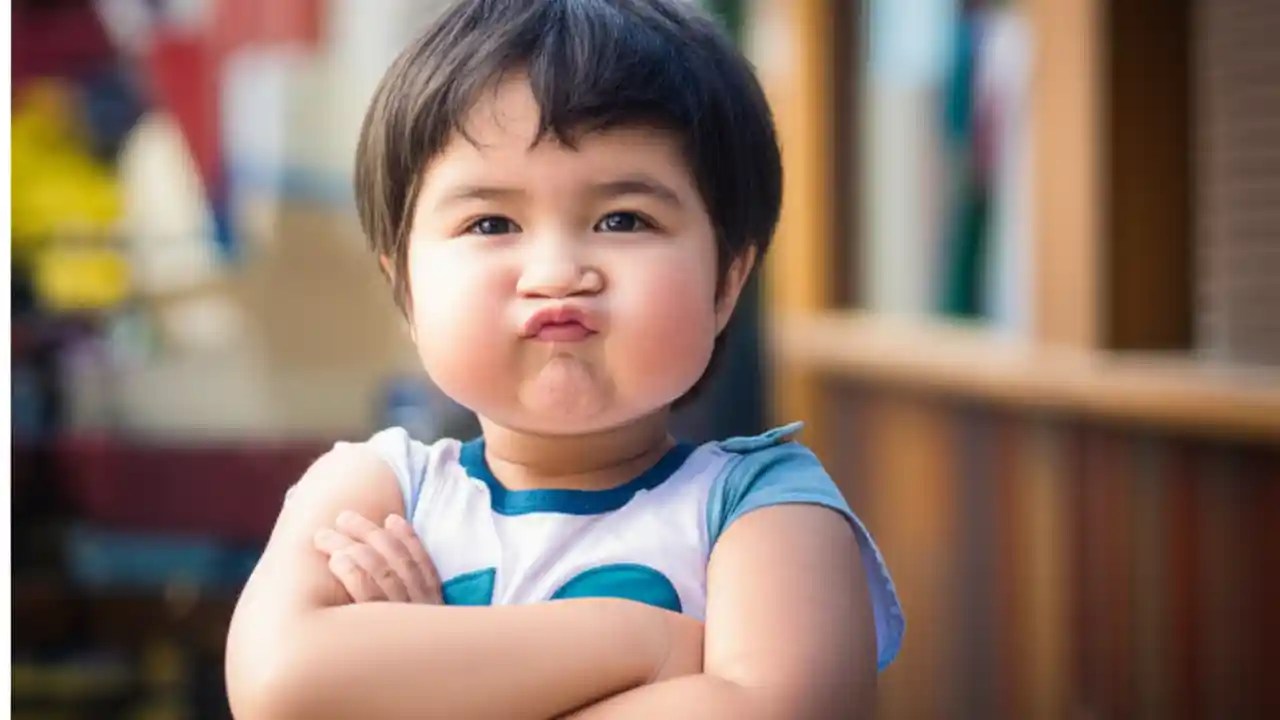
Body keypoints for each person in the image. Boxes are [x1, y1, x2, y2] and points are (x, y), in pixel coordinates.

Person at [225, 1, 903, 717]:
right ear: (405, 287)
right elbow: (280, 685)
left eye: (622, 220)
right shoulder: (376, 495)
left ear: (727, 281)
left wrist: (429, 680)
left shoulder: (764, 510)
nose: (556, 270)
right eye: (491, 222)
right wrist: (643, 644)